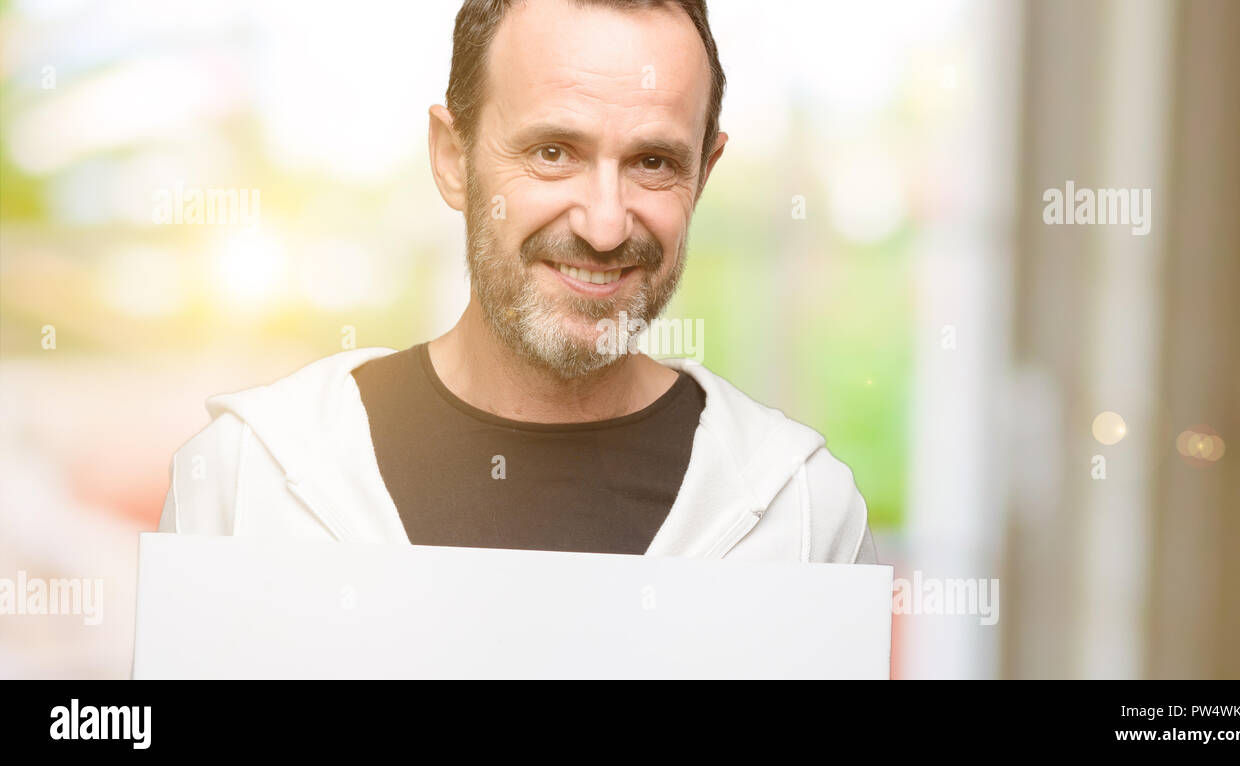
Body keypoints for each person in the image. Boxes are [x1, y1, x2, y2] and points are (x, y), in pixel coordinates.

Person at [159, 0, 877, 565]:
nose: (603, 225)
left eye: (653, 162)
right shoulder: (251, 475)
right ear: (451, 158)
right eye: (554, 151)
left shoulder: (803, 512)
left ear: (704, 173)